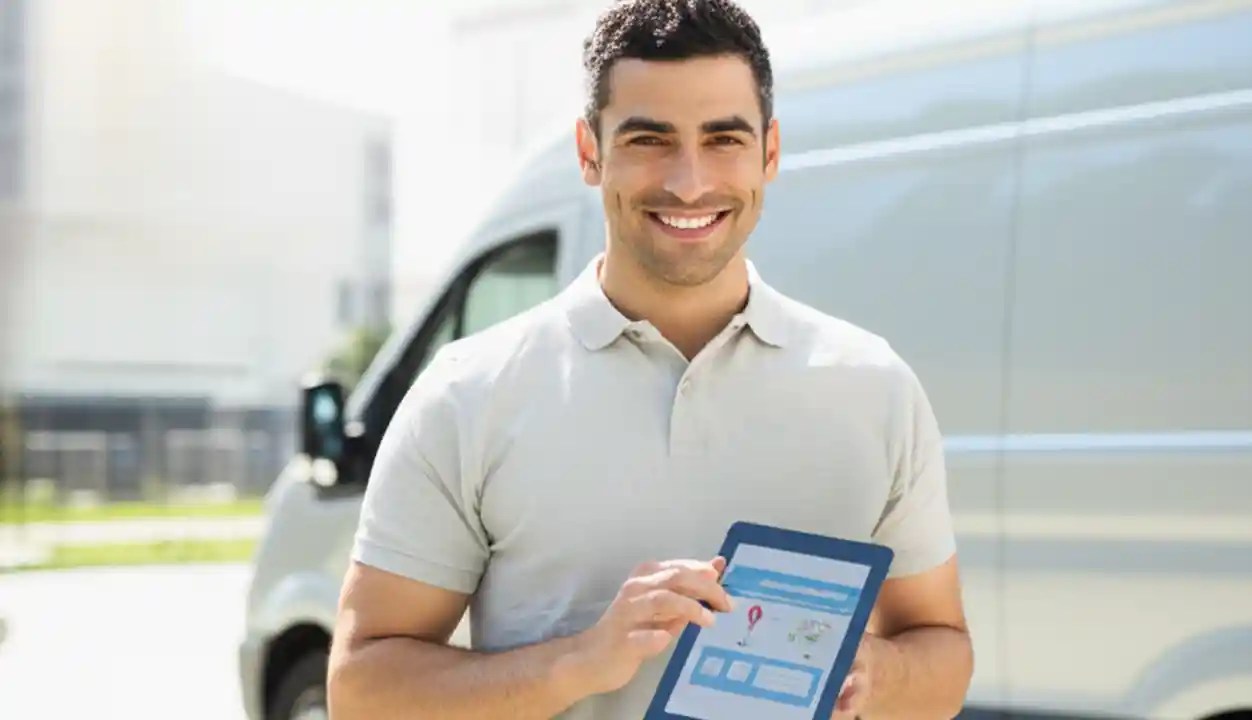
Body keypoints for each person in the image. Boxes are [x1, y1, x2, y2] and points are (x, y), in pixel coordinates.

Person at [327, 1, 974, 717]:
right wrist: (578, 661)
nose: (690, 182)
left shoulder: (875, 387)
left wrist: (880, 675)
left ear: (770, 152)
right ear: (588, 152)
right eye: (649, 139)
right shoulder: (468, 394)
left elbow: (943, 650)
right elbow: (362, 691)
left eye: (723, 138)